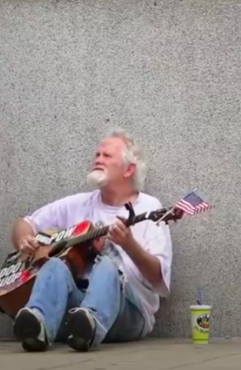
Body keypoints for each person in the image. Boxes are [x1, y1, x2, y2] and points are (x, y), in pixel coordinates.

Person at [9, 129, 173, 352]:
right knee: (54, 264)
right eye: (97, 154)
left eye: (107, 156)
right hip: (75, 315)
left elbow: (158, 277)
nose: (98, 159)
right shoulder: (78, 204)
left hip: (130, 313)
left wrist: (128, 245)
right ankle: (38, 325)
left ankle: (91, 323)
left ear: (129, 169)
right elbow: (24, 222)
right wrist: (24, 240)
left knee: (108, 265)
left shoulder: (150, 207)